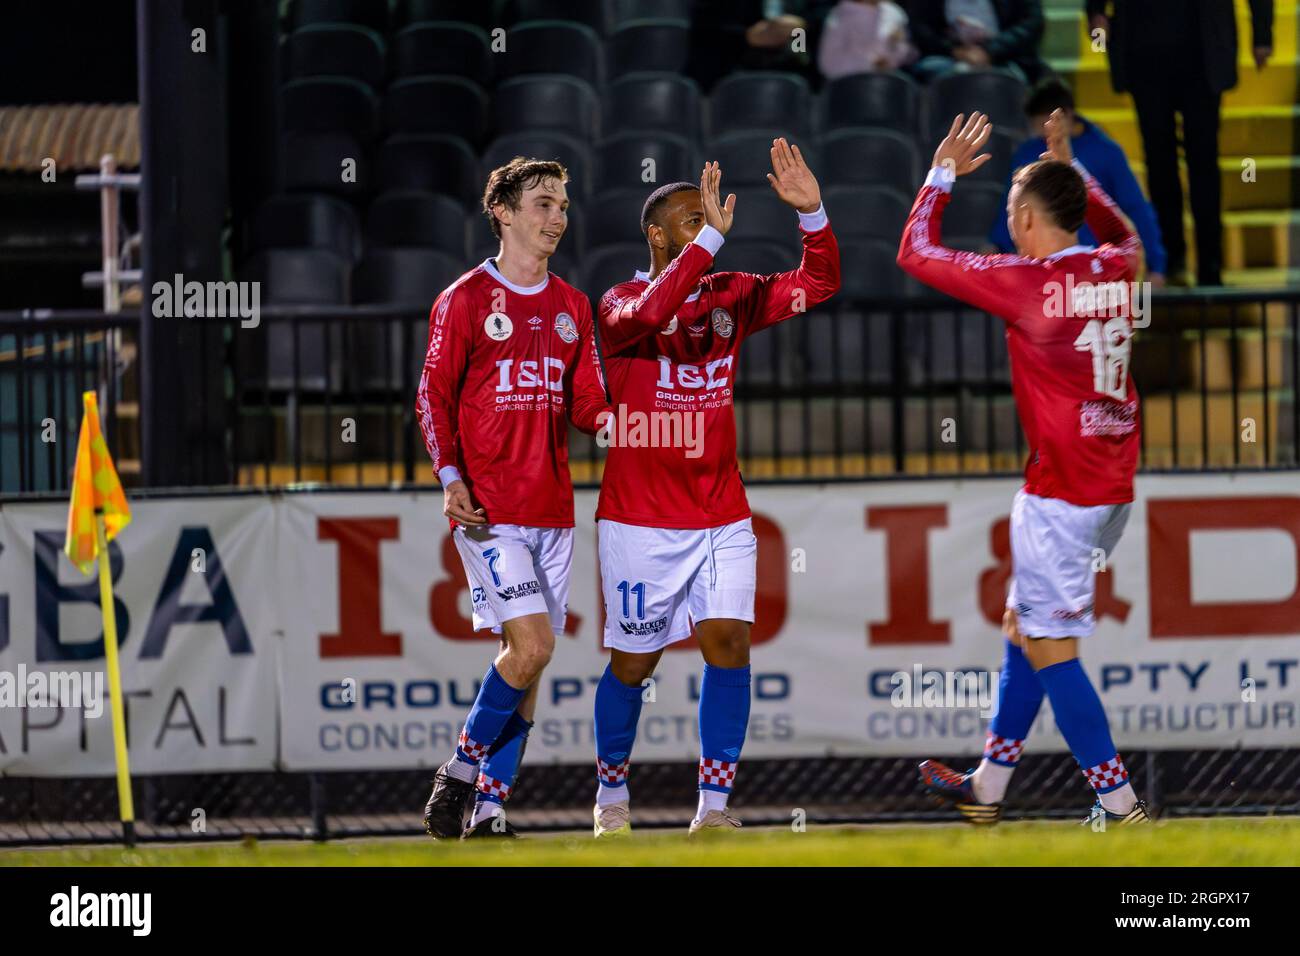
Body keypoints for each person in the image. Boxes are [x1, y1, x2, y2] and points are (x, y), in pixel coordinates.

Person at [898, 111, 1148, 826]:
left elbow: (916, 253)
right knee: (1025, 625)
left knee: (1048, 643)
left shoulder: (1025, 282)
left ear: (1029, 217)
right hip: (1111, 488)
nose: (1008, 226)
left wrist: (941, 172)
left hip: (1061, 494)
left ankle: (1120, 804)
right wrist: (1073, 171)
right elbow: (1124, 232)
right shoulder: (1117, 266)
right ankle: (988, 788)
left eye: (1012, 212)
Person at [589, 141, 840, 837]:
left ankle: (714, 811)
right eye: (689, 219)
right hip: (639, 517)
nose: (705, 225)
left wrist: (813, 214)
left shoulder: (733, 295)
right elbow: (647, 315)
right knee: (634, 663)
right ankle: (611, 795)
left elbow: (817, 285)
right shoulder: (617, 302)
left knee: (728, 643)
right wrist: (709, 245)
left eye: (709, 215)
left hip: (721, 509)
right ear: (656, 234)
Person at [416, 157, 610, 839]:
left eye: (563, 206)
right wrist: (450, 478)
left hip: (552, 508)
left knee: (527, 658)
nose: (557, 217)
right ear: (501, 210)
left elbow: (584, 401)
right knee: (530, 646)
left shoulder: (572, 307)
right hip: (490, 512)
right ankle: (460, 773)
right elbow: (431, 397)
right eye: (543, 204)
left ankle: (490, 811)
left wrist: (611, 419)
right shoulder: (465, 299)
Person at [1087, 0, 1274, 286]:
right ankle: (1170, 259)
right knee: (1160, 164)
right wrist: (1095, 10)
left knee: (1204, 163)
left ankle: (1210, 264)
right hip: (1143, 51)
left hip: (1202, 52)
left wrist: (1262, 32)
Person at [989, 77, 1166, 286]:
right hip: (1045, 272)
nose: (1040, 134)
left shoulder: (1106, 153)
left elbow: (1137, 209)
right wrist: (997, 245)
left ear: (1066, 115)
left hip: (1096, 271)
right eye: (1037, 127)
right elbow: (1011, 208)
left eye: (1044, 124)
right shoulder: (1027, 153)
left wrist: (1157, 266)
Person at [905, 0, 1045, 83]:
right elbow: (920, 27)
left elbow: (1032, 23)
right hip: (946, 59)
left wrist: (990, 51)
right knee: (928, 71)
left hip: (1007, 58)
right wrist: (954, 51)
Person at [817, 0, 916, 79]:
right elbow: (828, 64)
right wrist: (870, 64)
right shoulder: (839, 16)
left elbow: (910, 55)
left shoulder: (895, 13)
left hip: (890, 86)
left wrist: (896, 47)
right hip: (850, 88)